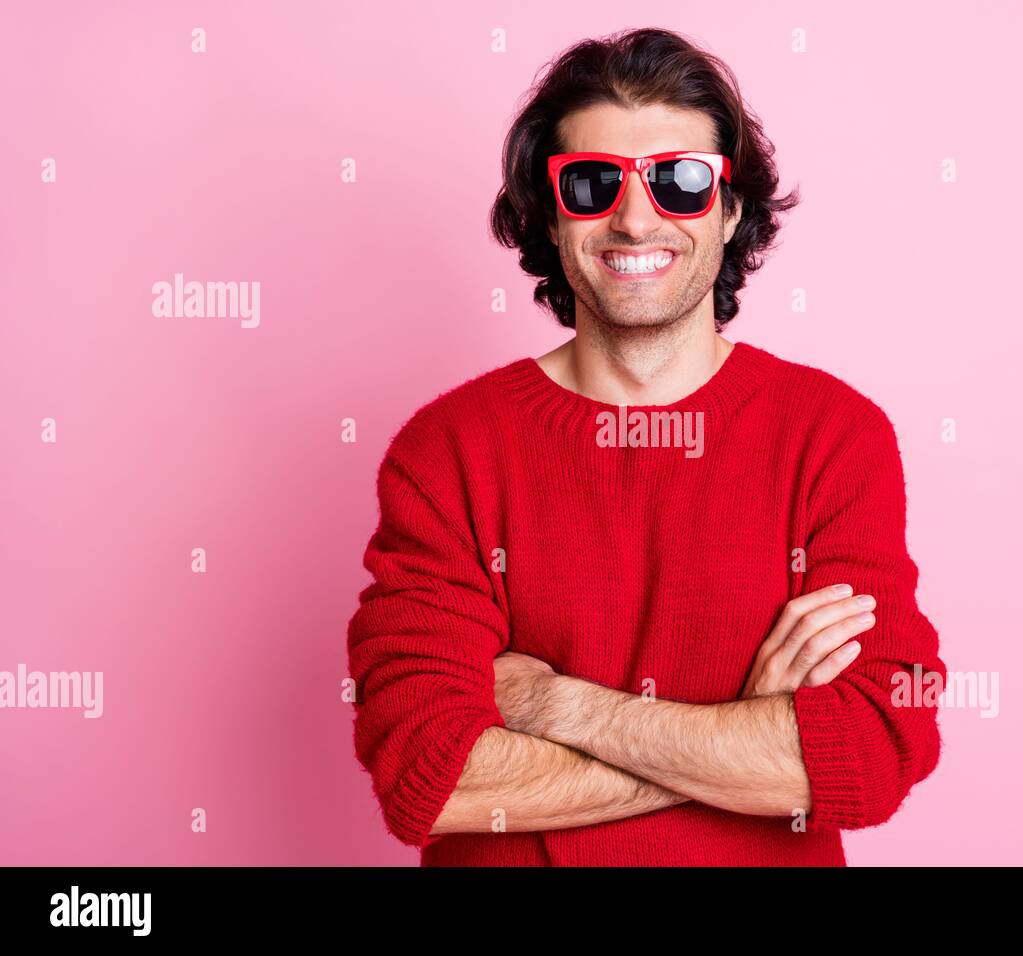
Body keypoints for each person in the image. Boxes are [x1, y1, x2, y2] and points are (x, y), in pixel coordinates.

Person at [346, 27, 945, 866]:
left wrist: (555, 704)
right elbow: (433, 780)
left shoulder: (833, 435)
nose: (635, 218)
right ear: (550, 220)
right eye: (591, 184)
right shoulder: (446, 451)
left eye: (681, 182)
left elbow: (873, 749)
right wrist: (739, 728)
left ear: (732, 211)